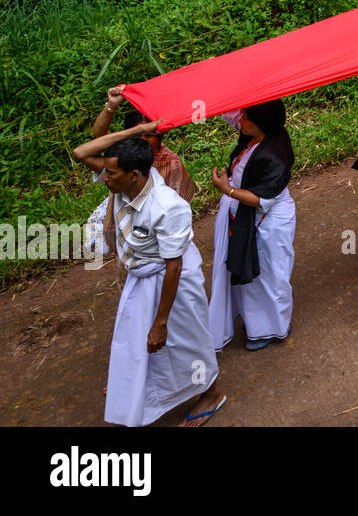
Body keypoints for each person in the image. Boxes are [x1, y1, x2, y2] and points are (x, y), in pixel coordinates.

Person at [73, 123, 224, 427]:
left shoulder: (168, 207)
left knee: (186, 341)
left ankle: (211, 393)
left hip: (174, 283)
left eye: (111, 174)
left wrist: (161, 321)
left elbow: (174, 266)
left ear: (134, 175)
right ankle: (150, 391)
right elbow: (81, 152)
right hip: (140, 280)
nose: (105, 178)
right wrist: (137, 130)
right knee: (138, 343)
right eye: (107, 171)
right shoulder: (124, 186)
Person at [209, 100, 295, 352]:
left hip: (269, 222)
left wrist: (228, 190)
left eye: (245, 117)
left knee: (269, 275)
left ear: (261, 123)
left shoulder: (274, 155)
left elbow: (261, 200)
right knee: (251, 273)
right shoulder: (257, 135)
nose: (240, 120)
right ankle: (252, 319)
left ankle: (273, 328)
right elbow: (231, 113)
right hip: (247, 216)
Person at [94, 85, 197, 202]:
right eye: (137, 134)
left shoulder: (171, 163)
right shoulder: (123, 153)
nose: (143, 140)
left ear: (159, 137)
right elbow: (99, 136)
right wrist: (111, 105)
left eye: (148, 135)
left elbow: (177, 203)